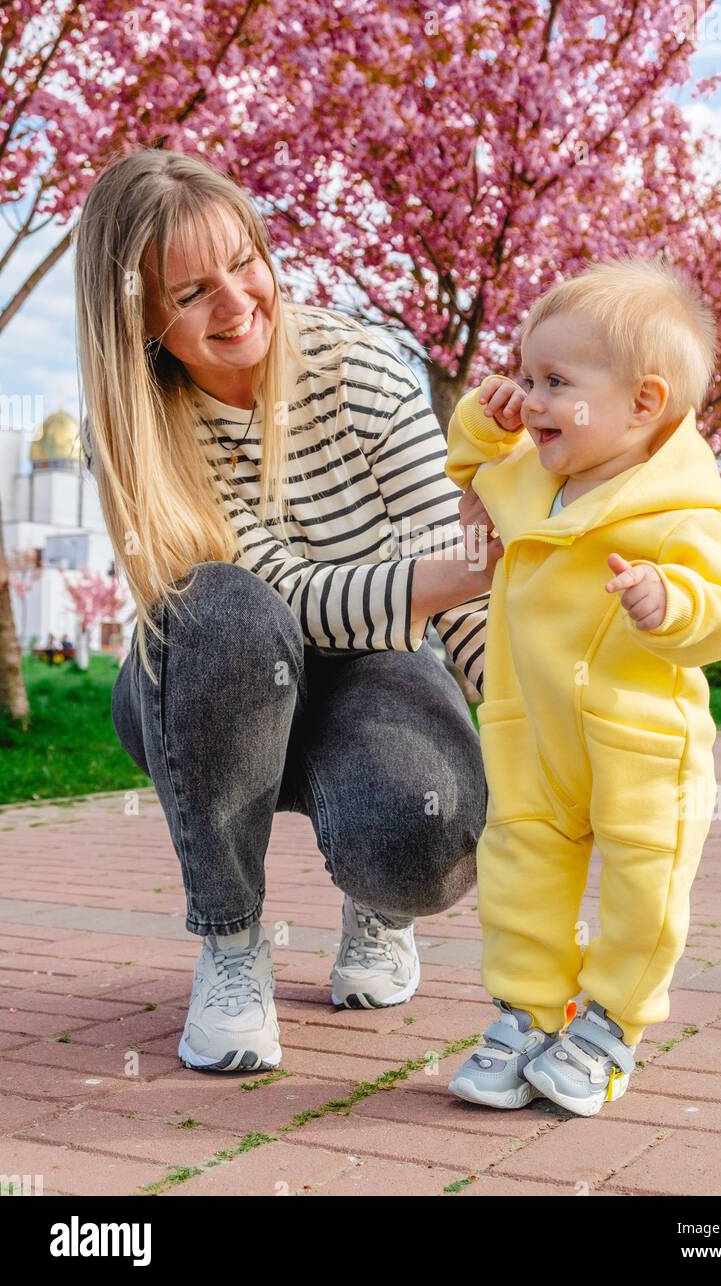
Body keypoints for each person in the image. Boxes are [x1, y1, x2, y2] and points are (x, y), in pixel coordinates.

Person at [75, 147, 503, 1073]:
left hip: (380, 664)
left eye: (245, 262)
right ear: (139, 317)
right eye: (189, 293)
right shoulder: (143, 432)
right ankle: (232, 944)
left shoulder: (365, 371)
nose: (235, 303)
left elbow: (457, 569)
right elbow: (292, 596)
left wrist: (532, 731)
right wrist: (447, 582)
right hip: (219, 674)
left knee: (419, 828)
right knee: (222, 607)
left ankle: (381, 904)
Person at [444, 256, 721, 1116]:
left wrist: (674, 603)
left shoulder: (688, 509)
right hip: (533, 733)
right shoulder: (534, 479)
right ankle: (525, 1011)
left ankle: (612, 1026)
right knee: (522, 870)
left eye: (555, 381)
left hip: (639, 742)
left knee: (644, 889)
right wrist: (488, 413)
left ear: (644, 403)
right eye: (523, 375)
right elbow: (471, 463)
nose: (532, 398)